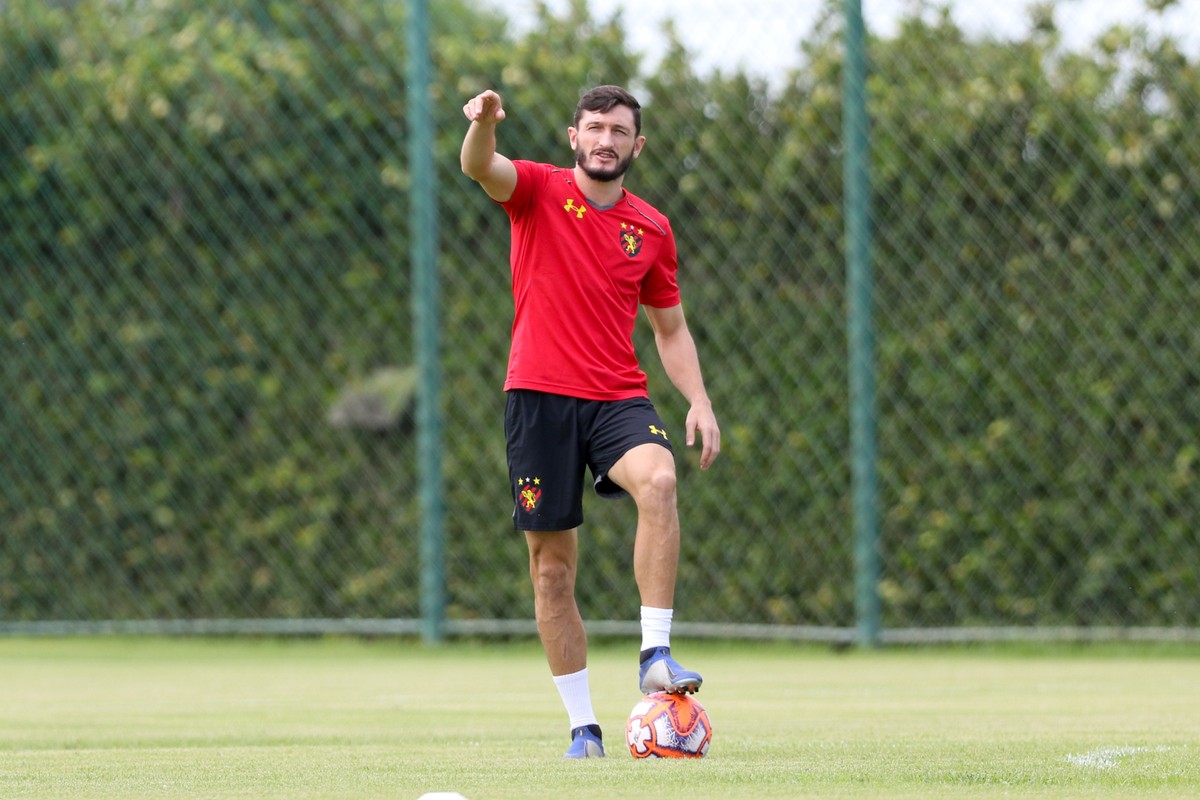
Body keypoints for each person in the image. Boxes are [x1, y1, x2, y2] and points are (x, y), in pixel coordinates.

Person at [460, 85, 721, 759]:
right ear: (573, 136)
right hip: (538, 399)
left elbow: (669, 329)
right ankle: (584, 729)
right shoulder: (538, 191)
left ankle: (655, 654)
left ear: (638, 145)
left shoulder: (653, 229)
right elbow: (478, 167)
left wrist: (698, 400)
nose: (606, 139)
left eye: (620, 130)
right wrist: (483, 125)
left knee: (660, 482)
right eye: (595, 127)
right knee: (551, 570)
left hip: (616, 398)